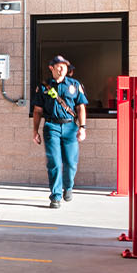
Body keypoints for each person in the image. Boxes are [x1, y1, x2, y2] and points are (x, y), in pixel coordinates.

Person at [31, 54, 87, 209]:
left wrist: (82, 127)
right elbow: (37, 111)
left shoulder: (74, 85)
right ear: (52, 68)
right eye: (59, 66)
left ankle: (68, 187)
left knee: (70, 162)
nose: (62, 69)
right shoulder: (44, 87)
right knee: (54, 162)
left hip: (70, 127)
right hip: (51, 127)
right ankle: (55, 196)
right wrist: (35, 131)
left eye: (64, 67)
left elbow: (80, 107)